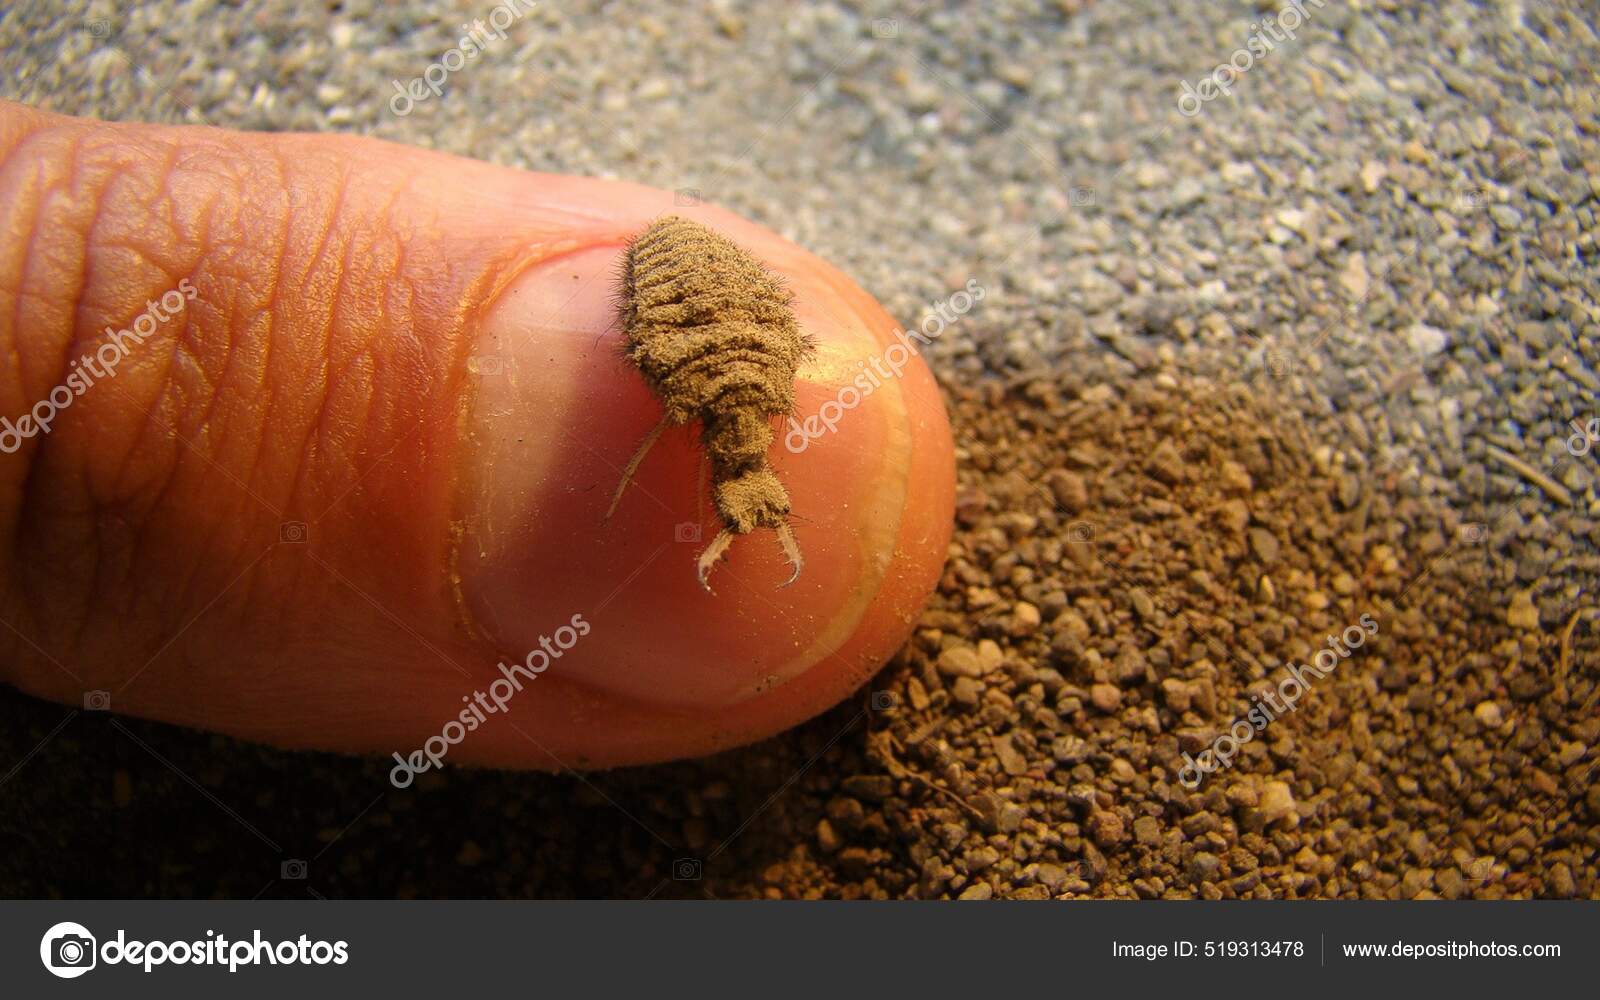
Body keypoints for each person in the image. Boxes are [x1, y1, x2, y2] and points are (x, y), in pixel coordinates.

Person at [0, 99, 954, 771]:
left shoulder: (727, 392)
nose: (756, 489)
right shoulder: (708, 394)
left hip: (713, 320)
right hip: (704, 304)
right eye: (763, 494)